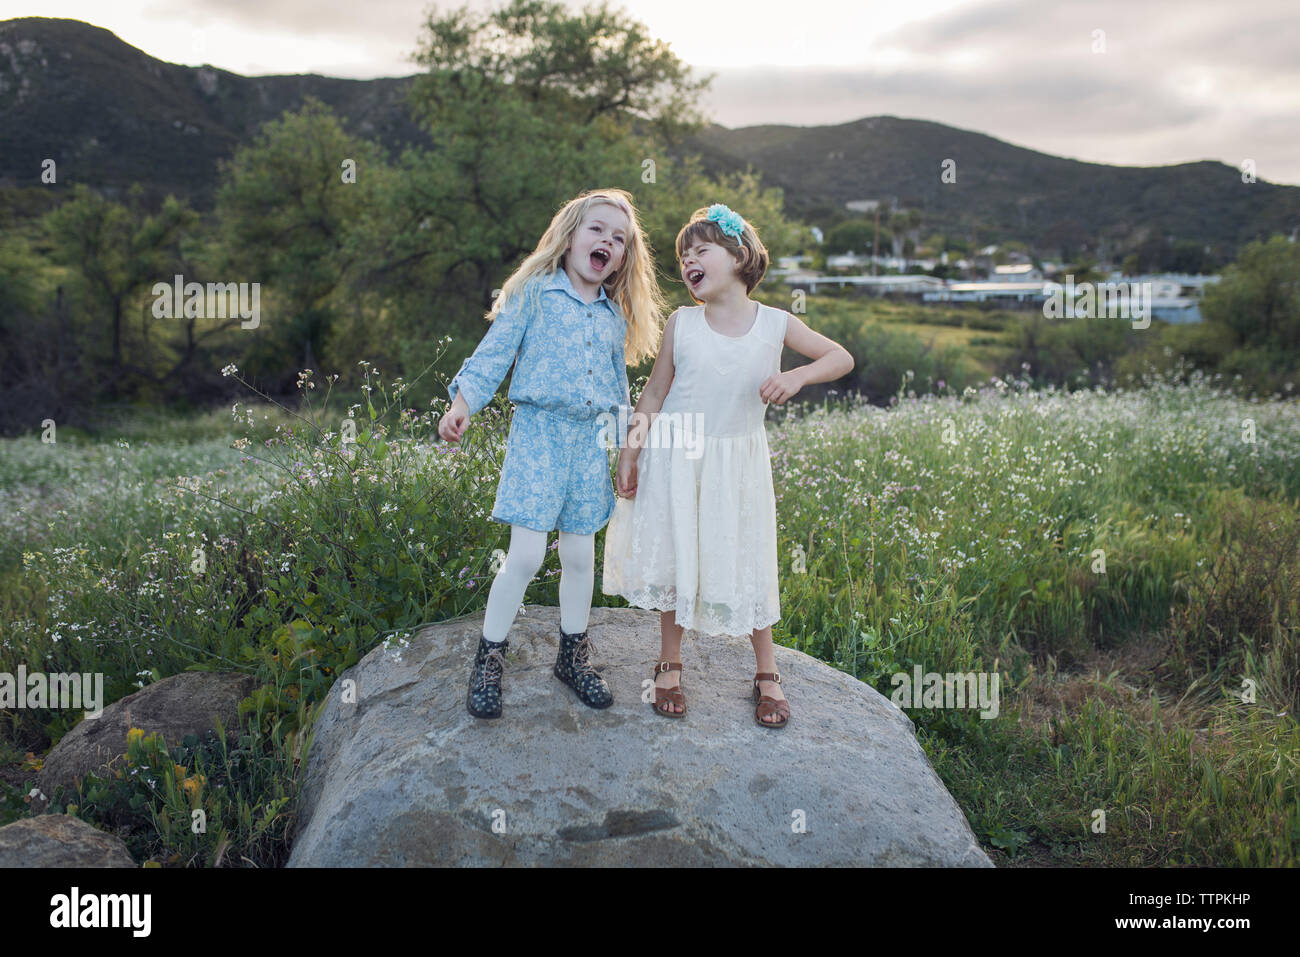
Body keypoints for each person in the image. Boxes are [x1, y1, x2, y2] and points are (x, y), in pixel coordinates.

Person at [602, 203, 854, 728]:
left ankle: (767, 671)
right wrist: (631, 450)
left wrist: (797, 379)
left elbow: (840, 358)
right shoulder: (682, 324)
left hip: (737, 464)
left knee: (747, 555)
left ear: (739, 256)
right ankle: (669, 664)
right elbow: (654, 391)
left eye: (701, 250)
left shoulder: (775, 324)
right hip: (677, 456)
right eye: (683, 255)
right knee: (677, 552)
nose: (689, 260)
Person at [438, 188, 664, 719]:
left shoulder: (612, 317)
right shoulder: (535, 294)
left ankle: (572, 656)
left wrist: (626, 452)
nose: (607, 242)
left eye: (619, 239)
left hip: (589, 446)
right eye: (597, 230)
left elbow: (615, 389)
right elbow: (492, 355)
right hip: (539, 435)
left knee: (580, 556)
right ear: (568, 238)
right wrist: (462, 405)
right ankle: (489, 658)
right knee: (525, 555)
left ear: (623, 257)